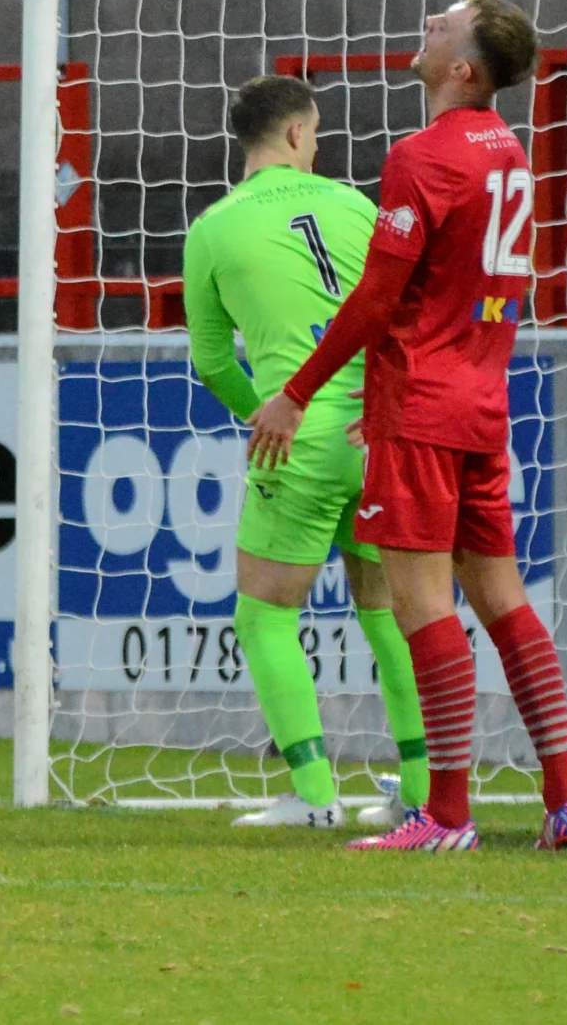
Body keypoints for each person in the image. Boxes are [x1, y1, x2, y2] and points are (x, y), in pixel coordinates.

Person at [251, 0, 567, 854]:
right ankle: (564, 801)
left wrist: (298, 391)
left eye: (445, 24)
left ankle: (445, 816)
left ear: (463, 69)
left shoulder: (422, 155)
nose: (427, 27)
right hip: (482, 401)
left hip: (425, 407)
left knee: (423, 609)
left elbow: (377, 296)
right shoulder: (507, 149)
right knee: (505, 601)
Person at [181, 75, 426, 832]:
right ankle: (421, 790)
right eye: (315, 135)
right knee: (389, 610)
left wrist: (263, 415)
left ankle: (316, 795)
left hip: (301, 440)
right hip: (376, 434)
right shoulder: (357, 207)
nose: (317, 148)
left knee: (265, 616)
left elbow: (213, 359)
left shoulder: (214, 229)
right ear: (295, 136)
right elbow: (404, 311)